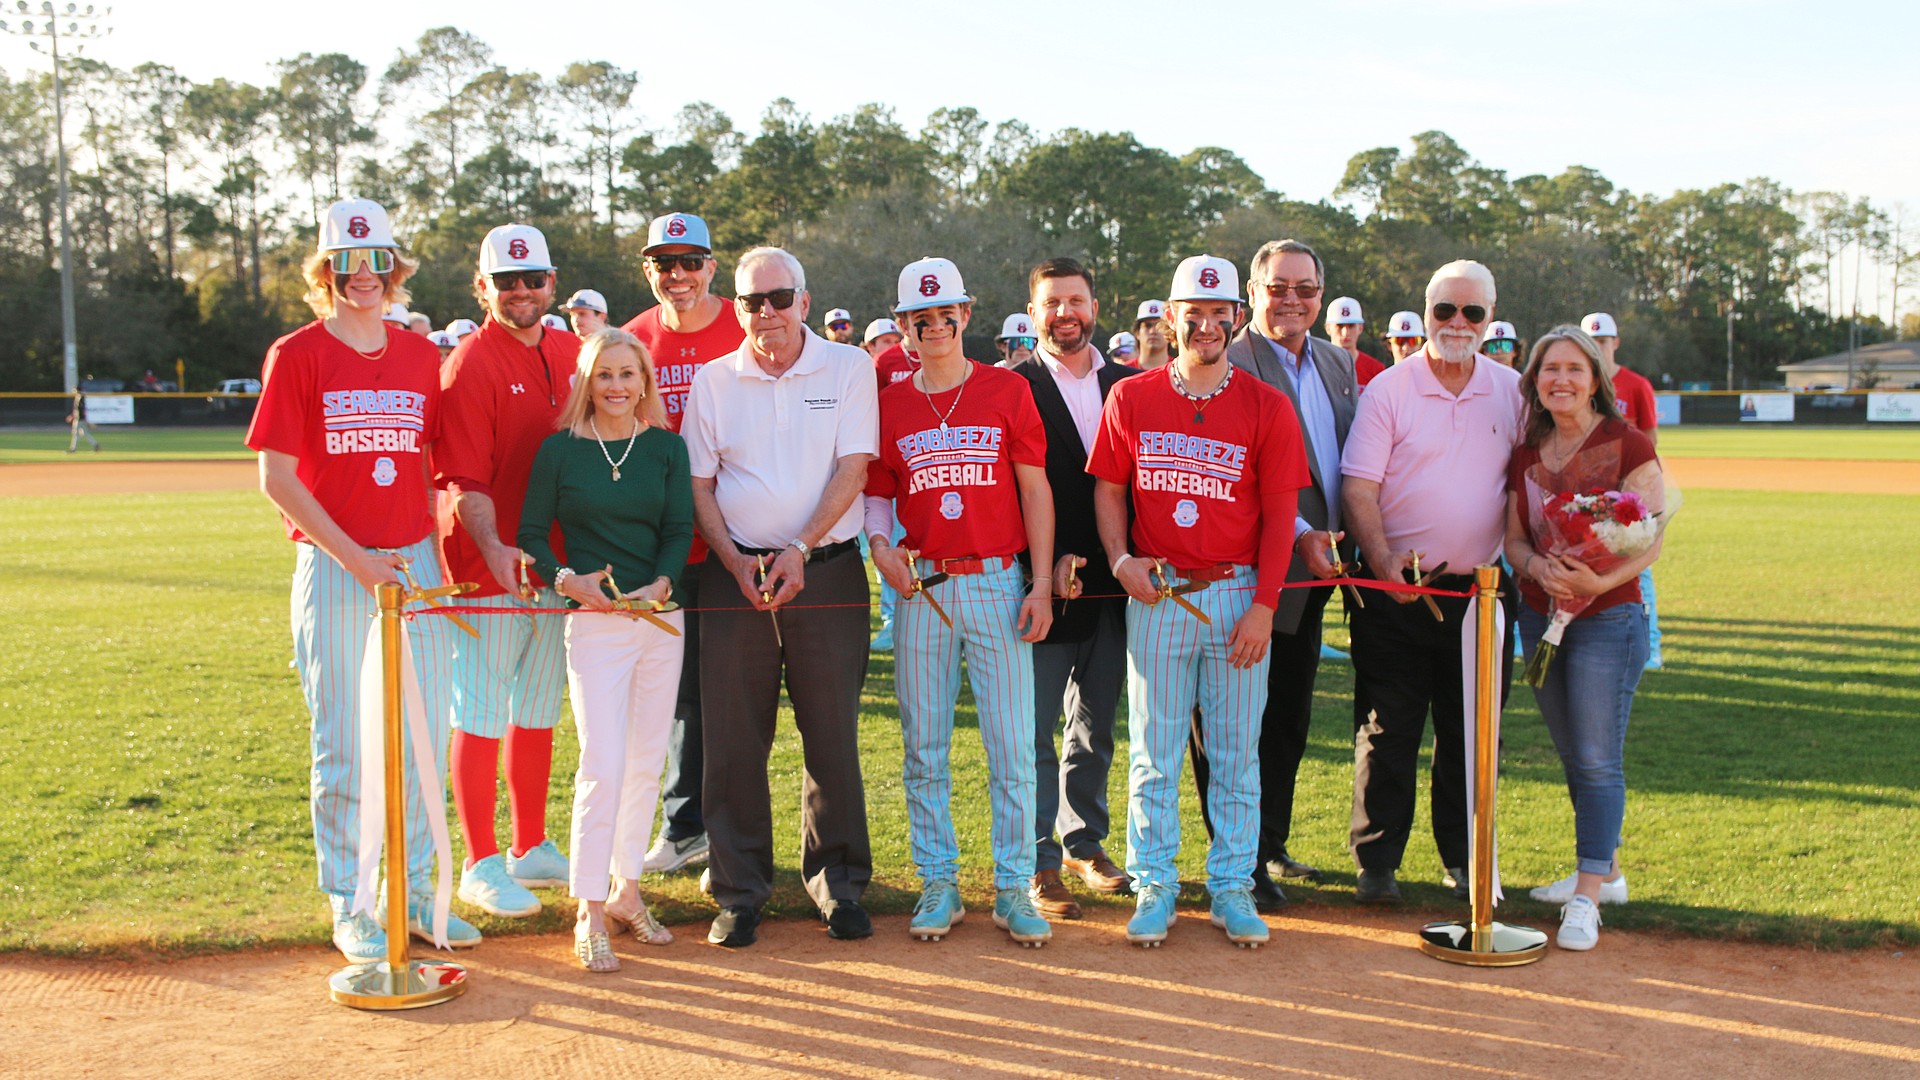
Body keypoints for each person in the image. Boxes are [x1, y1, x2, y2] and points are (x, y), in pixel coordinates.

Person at [246, 197, 476, 960]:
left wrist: (431, 557)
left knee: (421, 737)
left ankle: (411, 899)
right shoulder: (298, 353)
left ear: (394, 269)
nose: (362, 276)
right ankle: (351, 903)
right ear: (326, 273)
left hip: (412, 565)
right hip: (340, 569)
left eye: (375, 260)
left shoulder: (418, 357)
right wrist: (355, 557)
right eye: (345, 263)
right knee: (345, 741)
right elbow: (276, 478)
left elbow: (438, 468)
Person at [1089, 254, 1309, 948]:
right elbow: (1108, 488)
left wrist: (1266, 605)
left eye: (1220, 314)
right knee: (1155, 753)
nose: (1207, 325)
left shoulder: (1268, 405)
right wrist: (1120, 559)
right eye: (1195, 312)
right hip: (1159, 595)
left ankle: (1231, 888)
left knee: (1237, 754)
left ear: (1236, 318)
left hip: (1238, 591)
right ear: (1170, 315)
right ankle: (1154, 885)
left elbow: (1281, 516)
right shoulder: (1131, 396)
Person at [682, 246, 879, 948]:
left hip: (824, 570)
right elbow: (700, 484)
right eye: (750, 302)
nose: (764, 313)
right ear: (736, 308)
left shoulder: (849, 367)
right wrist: (733, 558)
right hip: (734, 576)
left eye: (777, 297)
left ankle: (840, 884)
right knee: (735, 739)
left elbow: (854, 467)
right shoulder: (713, 381)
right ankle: (739, 891)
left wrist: (798, 549)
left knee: (831, 735)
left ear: (802, 298)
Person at [865, 257, 1057, 946]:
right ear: (904, 326)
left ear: (967, 316)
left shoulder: (1005, 389)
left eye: (946, 314)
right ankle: (939, 881)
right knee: (925, 748)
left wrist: (1039, 583)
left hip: (998, 580)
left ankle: (1013, 888)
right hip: (924, 590)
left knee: (1012, 746)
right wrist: (881, 547)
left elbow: (1035, 489)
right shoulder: (889, 402)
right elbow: (879, 490)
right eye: (922, 318)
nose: (935, 326)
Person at [1341, 259, 1523, 904]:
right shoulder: (1390, 388)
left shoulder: (1512, 390)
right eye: (1446, 310)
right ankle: (1377, 863)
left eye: (1473, 312)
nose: (1458, 324)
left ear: (1490, 318)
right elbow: (1359, 485)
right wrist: (1384, 561)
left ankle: (1466, 859)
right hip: (1398, 588)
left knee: (1472, 732)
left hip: (1483, 592)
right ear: (1426, 313)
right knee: (1388, 727)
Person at [1188, 239, 1358, 911]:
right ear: (1250, 296)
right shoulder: (1230, 364)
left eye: (1306, 288)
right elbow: (1236, 474)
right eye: (1279, 288)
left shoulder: (1339, 362)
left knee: (1287, 718)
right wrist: (1301, 537)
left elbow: (1347, 463)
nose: (1293, 300)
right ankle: (1238, 857)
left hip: (1317, 575)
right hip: (1249, 572)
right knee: (1230, 726)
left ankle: (1269, 845)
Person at [519, 327, 693, 971]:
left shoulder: (667, 449)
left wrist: (662, 582)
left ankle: (626, 891)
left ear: (644, 380)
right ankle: (588, 909)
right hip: (592, 623)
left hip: (658, 621)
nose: (617, 386)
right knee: (603, 763)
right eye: (604, 375)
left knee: (647, 760)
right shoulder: (559, 452)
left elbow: (679, 528)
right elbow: (533, 535)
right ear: (586, 382)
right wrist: (568, 581)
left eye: (629, 374)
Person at [435, 223, 580, 922]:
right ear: (483, 287)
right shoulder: (471, 362)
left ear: (551, 283)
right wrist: (494, 550)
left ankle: (528, 845)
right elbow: (463, 479)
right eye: (506, 281)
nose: (521, 291)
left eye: (533, 279)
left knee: (536, 709)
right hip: (493, 565)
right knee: (483, 710)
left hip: (555, 563)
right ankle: (480, 861)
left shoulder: (572, 348)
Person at [1504, 325, 1665, 951]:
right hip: (1540, 618)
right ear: (1535, 382)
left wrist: (1594, 582)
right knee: (1575, 756)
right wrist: (1540, 568)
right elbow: (1514, 536)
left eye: (1573, 369)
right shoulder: (1526, 452)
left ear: (1595, 377)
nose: (1560, 380)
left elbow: (1650, 540)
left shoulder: (1627, 444)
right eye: (1549, 371)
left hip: (1608, 620)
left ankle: (1587, 898)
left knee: (1598, 759)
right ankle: (1607, 871)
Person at [619, 212, 748, 877]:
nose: (678, 275)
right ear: (649, 271)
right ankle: (684, 825)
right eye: (664, 264)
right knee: (675, 696)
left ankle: (723, 832)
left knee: (732, 695)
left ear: (711, 267)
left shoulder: (745, 327)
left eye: (690, 261)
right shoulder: (634, 338)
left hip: (740, 539)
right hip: (667, 550)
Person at [1008, 256, 1135, 917]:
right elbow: (1008, 495)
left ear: (1094, 305)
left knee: (1095, 725)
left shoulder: (1131, 383)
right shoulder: (1012, 387)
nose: (1066, 314)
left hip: (1114, 586)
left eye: (1077, 301)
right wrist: (1044, 566)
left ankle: (1084, 842)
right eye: (1052, 303)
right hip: (1040, 587)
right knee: (1031, 730)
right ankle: (1037, 862)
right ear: (1033, 314)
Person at [1582, 311, 1663, 671]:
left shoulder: (1636, 384)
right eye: (1591, 342)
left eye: (1602, 341)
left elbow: (1649, 439)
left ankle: (1653, 644)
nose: (1598, 348)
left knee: (1638, 572)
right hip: (1589, 494)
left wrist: (1642, 490)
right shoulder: (1583, 383)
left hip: (1629, 495)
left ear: (1615, 343)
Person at [1325, 296, 1387, 387]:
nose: (1345, 333)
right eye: (1340, 326)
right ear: (1328, 328)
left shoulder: (1376, 370)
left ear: (1360, 328)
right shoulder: (1315, 367)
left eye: (1351, 326)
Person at [1133, 299, 1172, 369]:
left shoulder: (1181, 372)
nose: (1153, 331)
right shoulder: (1122, 373)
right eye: (1148, 326)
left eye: (1159, 326)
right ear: (1137, 332)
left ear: (1169, 331)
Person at [66, 387, 99, 453]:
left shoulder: (80, 397)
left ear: (77, 390)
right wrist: (72, 416)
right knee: (85, 433)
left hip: (79, 419)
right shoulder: (80, 397)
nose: (73, 391)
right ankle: (96, 445)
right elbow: (78, 409)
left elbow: (80, 409)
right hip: (81, 418)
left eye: (74, 390)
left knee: (76, 434)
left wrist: (74, 416)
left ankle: (73, 449)